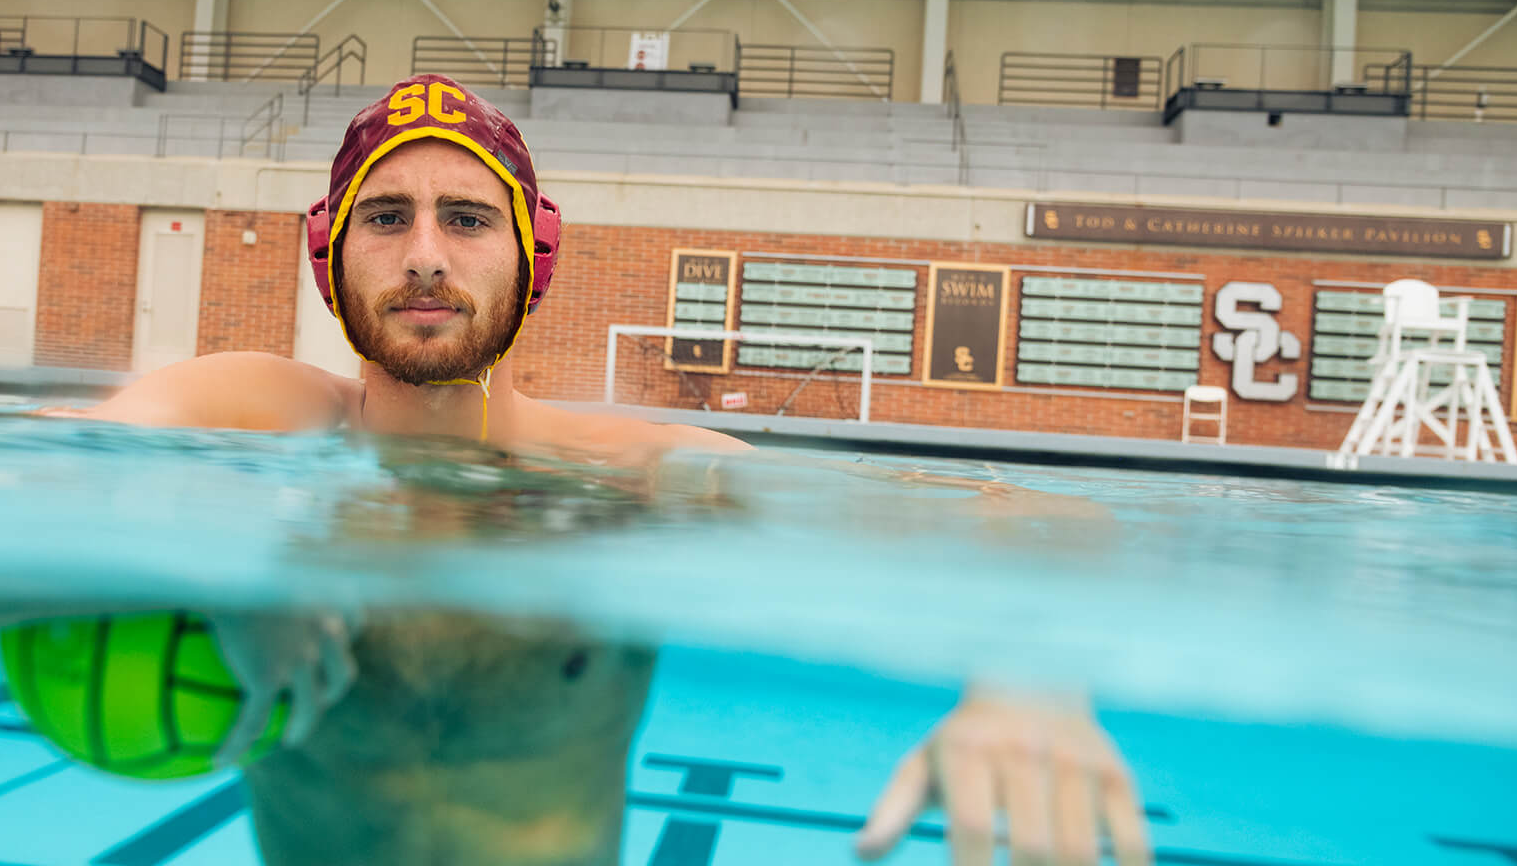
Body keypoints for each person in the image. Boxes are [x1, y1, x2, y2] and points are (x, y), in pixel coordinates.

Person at [72, 74, 1153, 866]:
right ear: (330, 257)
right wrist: (221, 581)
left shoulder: (632, 480)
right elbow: (19, 486)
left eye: (467, 219)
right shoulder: (252, 422)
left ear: (532, 258)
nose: (426, 255)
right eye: (386, 217)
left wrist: (1029, 681)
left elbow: (1043, 521)